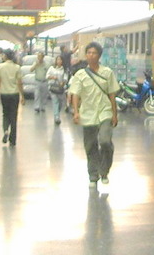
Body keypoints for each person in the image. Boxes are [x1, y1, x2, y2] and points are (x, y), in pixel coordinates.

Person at [69, 42, 118, 188]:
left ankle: (104, 171)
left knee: (105, 141)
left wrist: (114, 114)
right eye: (89, 52)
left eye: (94, 53)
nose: (91, 55)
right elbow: (75, 94)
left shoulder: (107, 73)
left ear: (99, 55)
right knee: (90, 146)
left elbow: (112, 95)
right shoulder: (80, 74)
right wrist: (76, 112)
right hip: (88, 113)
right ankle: (93, 175)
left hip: (105, 112)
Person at [0, 49, 22, 146]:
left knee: (5, 114)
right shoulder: (17, 67)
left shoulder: (0, 67)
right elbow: (19, 82)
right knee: (13, 116)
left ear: (5, 56)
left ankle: (6, 130)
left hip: (4, 94)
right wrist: (22, 95)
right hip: (14, 94)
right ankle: (13, 140)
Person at [46, 55, 68, 125]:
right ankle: (56, 117)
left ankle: (57, 112)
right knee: (55, 102)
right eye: (57, 60)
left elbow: (65, 78)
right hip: (52, 87)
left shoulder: (64, 69)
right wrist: (52, 77)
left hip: (61, 88)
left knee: (60, 103)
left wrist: (63, 83)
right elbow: (47, 76)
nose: (59, 61)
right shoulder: (51, 68)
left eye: (60, 60)